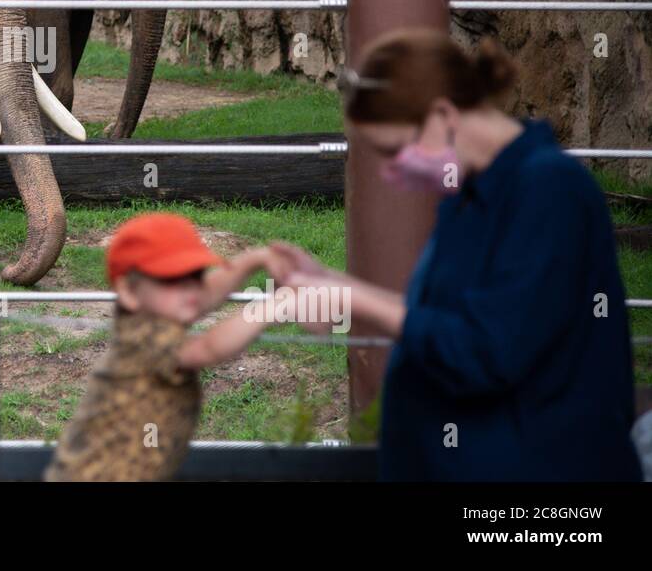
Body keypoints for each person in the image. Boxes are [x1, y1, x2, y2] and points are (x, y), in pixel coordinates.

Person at [271, 28, 642, 481]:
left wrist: (351, 297)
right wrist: (325, 280)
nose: (391, 172)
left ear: (443, 114)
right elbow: (441, 323)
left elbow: (487, 352)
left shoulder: (550, 190)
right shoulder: (469, 195)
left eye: (393, 150)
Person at [45, 212, 292, 481]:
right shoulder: (143, 335)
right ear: (128, 291)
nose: (190, 289)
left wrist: (255, 259)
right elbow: (208, 349)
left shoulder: (158, 313)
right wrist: (277, 306)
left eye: (195, 275)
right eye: (171, 279)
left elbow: (203, 295)